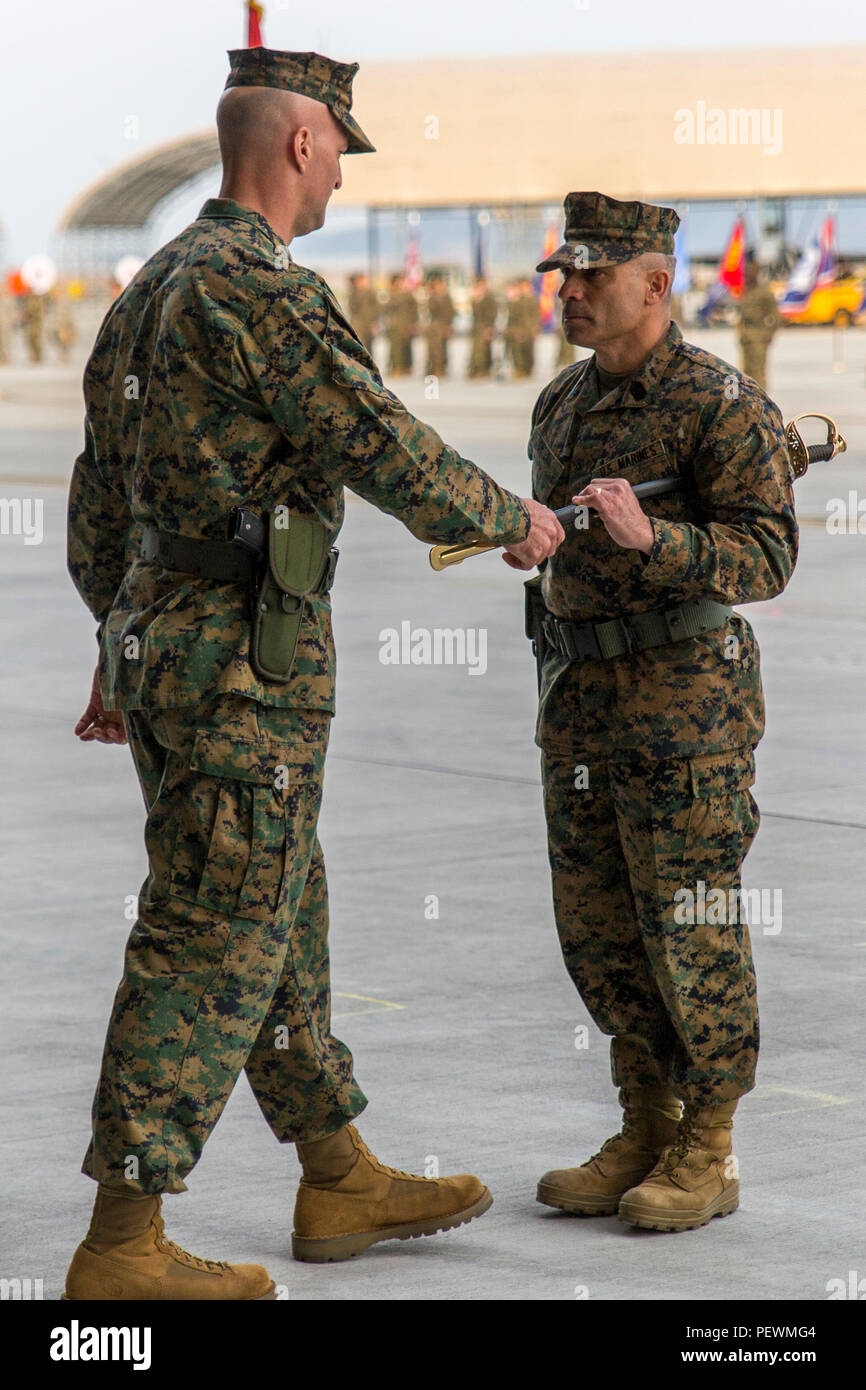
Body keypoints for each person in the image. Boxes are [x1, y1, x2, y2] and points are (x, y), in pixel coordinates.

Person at [64, 46, 564, 1301]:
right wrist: (511, 515)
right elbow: (380, 443)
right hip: (246, 666)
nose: (343, 166)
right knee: (210, 933)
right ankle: (122, 1241)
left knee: (276, 908)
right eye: (340, 144)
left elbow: (94, 502)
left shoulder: (147, 289)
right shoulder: (259, 291)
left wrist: (120, 639)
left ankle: (335, 1171)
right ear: (298, 143)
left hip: (172, 656)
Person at [517, 192, 797, 1232]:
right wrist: (534, 557)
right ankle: (642, 1117)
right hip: (578, 702)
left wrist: (660, 544)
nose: (571, 292)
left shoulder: (718, 402)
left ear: (655, 281)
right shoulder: (558, 403)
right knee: (597, 928)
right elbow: (557, 541)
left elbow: (767, 552)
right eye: (563, 275)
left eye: (592, 275)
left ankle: (708, 1144)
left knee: (690, 923)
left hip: (684, 708)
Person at [736, 259, 782, 393]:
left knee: (758, 371)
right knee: (746, 371)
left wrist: (768, 336)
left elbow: (776, 317)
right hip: (746, 336)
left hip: (758, 336)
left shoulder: (764, 292)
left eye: (750, 273)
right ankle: (748, 400)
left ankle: (761, 399)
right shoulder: (745, 291)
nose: (747, 276)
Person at [505, 277, 540, 378]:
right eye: (522, 286)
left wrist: (535, 327)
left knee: (529, 350)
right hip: (518, 329)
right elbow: (512, 317)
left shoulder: (533, 300)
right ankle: (519, 369)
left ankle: (528, 369)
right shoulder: (516, 300)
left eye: (527, 286)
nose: (525, 289)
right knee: (517, 351)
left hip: (529, 329)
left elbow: (536, 315)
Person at [385, 271, 418, 375]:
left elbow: (414, 310)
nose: (402, 283)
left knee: (406, 346)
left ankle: (407, 367)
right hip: (395, 324)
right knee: (395, 348)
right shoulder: (390, 294)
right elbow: (387, 309)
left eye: (402, 281)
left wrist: (413, 323)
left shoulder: (408, 295)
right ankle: (396, 368)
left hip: (406, 324)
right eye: (400, 281)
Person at [424, 274, 455, 378]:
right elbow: (430, 310)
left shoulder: (446, 298)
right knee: (432, 349)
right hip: (433, 327)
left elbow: (450, 313)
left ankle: (441, 369)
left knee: (441, 349)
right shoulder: (432, 297)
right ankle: (432, 368)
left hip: (443, 326)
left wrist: (448, 326)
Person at [468, 276, 498, 378]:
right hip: (476, 328)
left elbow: (492, 313)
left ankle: (483, 370)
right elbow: (475, 314)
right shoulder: (476, 298)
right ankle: (475, 369)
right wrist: (476, 301)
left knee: (483, 350)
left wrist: (489, 327)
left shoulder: (489, 298)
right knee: (476, 349)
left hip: (486, 327)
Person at [346, 270, 379, 352]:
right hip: (358, 326)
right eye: (361, 280)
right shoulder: (354, 294)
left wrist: (374, 323)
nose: (364, 282)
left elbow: (376, 309)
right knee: (360, 349)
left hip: (369, 325)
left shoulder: (370, 293)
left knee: (369, 349)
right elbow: (352, 309)